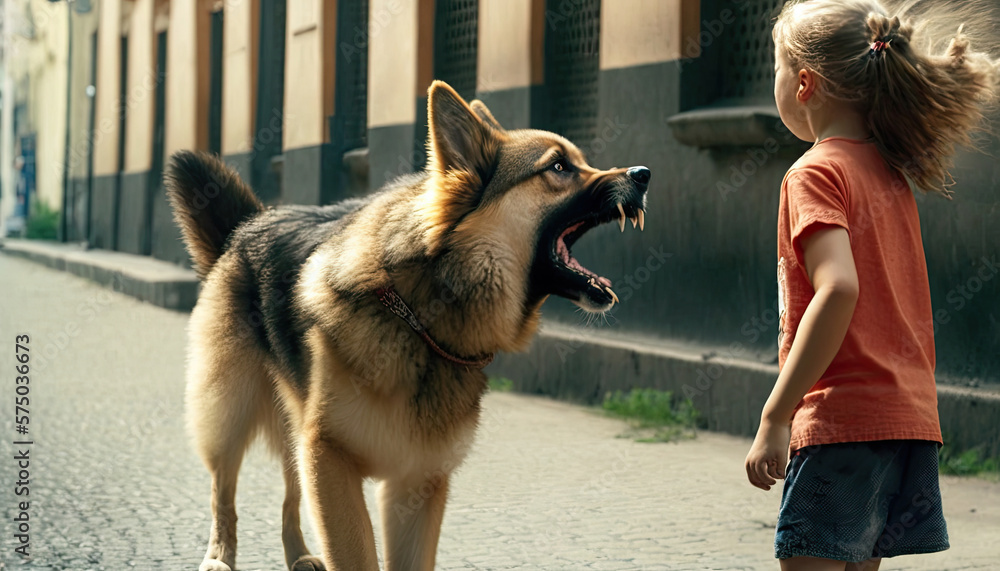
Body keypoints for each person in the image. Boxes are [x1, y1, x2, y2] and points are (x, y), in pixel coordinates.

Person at [743, 1, 1000, 570]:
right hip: (906, 421)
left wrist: (776, 415)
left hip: (842, 423)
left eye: (779, 69)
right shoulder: (890, 173)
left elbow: (839, 290)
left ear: (805, 83)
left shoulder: (814, 172)